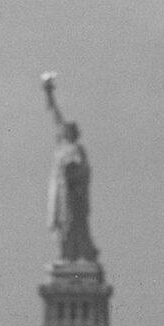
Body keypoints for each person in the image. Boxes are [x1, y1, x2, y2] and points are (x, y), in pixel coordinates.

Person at [43, 73, 99, 263]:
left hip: (74, 195)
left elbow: (83, 172)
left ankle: (77, 255)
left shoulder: (77, 150)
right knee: (62, 224)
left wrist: (72, 172)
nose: (66, 131)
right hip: (61, 194)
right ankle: (67, 255)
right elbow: (55, 115)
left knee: (74, 224)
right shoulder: (62, 145)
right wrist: (48, 92)